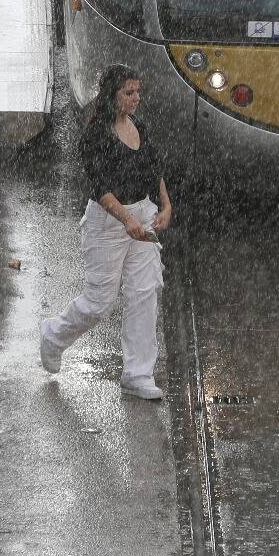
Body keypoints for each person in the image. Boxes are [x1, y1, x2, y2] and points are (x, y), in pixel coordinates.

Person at [38, 65, 174, 400]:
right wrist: (125, 218)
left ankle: (138, 373)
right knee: (99, 301)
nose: (135, 99)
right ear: (112, 96)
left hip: (143, 215)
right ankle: (53, 337)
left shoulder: (140, 127)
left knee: (144, 293)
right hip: (108, 223)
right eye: (129, 93)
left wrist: (165, 207)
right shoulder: (95, 136)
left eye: (138, 92)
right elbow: (99, 187)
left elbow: (155, 171)